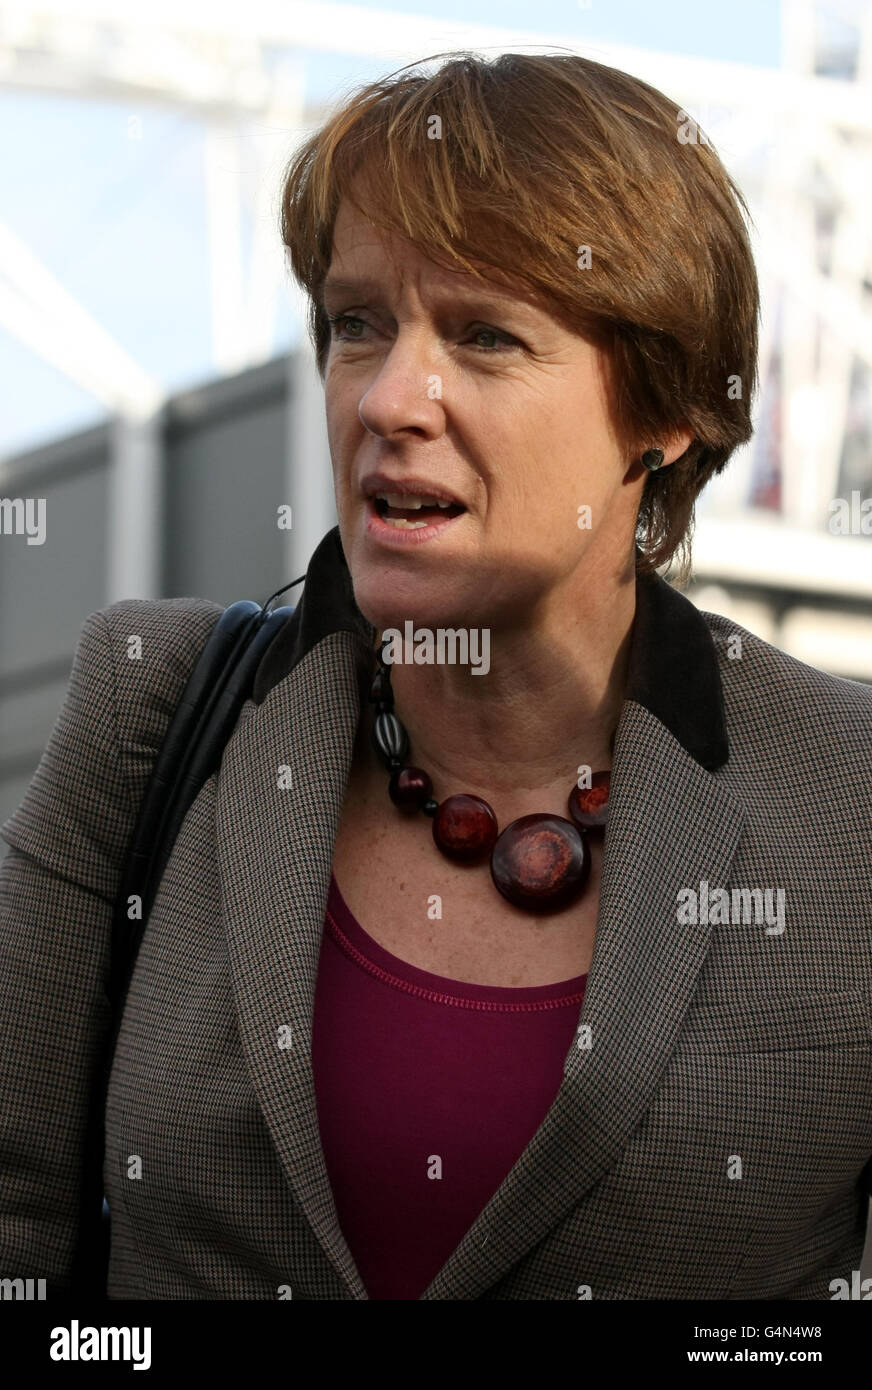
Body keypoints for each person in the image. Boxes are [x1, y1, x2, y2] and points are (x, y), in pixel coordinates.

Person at [1, 51, 870, 1302]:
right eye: (359, 323)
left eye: (484, 335)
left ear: (665, 411)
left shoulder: (847, 806)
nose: (394, 397)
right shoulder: (150, 714)